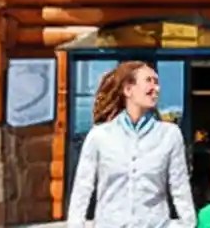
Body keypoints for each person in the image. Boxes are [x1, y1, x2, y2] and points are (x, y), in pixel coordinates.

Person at [66, 61, 196, 228]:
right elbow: (82, 188)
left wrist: (187, 224)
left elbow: (180, 186)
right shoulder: (99, 136)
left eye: (157, 82)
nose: (156, 88)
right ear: (128, 90)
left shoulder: (169, 135)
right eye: (149, 81)